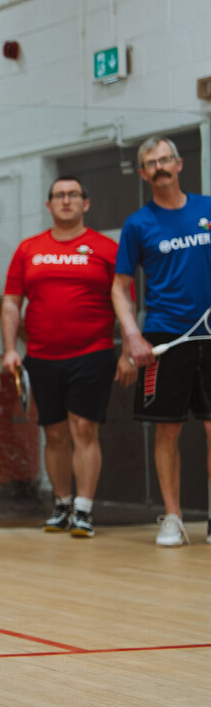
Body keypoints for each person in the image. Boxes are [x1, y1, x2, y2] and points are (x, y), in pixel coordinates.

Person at [1, 176, 135, 538]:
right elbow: (12, 303)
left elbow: (125, 302)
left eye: (73, 195)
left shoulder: (106, 248)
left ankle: (84, 510)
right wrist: (11, 348)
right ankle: (61, 504)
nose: (66, 200)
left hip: (92, 353)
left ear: (85, 204)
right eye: (59, 196)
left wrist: (127, 350)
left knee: (84, 429)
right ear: (49, 205)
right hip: (42, 357)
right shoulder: (28, 249)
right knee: (55, 434)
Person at [110, 136, 211, 547]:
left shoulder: (208, 210)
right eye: (151, 163)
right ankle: (172, 517)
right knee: (167, 431)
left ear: (180, 164)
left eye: (166, 159)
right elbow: (120, 288)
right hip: (165, 336)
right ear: (143, 173)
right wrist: (132, 337)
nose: (160, 167)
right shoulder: (138, 225)